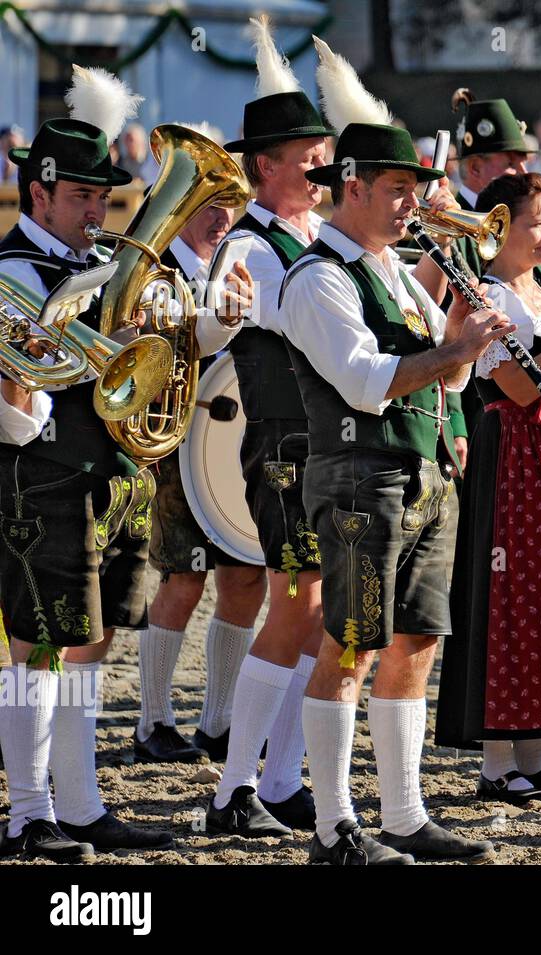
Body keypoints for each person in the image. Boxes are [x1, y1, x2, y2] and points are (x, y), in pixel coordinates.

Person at [0, 66, 247, 861]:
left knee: (92, 640)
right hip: (39, 477)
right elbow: (28, 390)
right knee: (35, 646)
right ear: (38, 194)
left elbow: (175, 355)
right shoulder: (12, 273)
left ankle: (78, 801)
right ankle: (28, 810)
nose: (97, 212)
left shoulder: (112, 263)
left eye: (103, 197)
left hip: (115, 479)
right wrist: (110, 339)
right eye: (81, 197)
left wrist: (208, 325)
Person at [277, 39, 507, 864]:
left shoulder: (397, 269)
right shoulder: (318, 278)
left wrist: (465, 343)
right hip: (356, 477)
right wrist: (453, 351)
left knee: (414, 641)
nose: (413, 207)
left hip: (417, 474)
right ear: (353, 188)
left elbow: (439, 380)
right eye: (400, 191)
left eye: (415, 191)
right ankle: (335, 824)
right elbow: (364, 380)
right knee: (349, 643)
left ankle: (405, 813)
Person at [203, 15, 337, 838]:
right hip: (286, 444)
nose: (323, 166)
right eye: (309, 157)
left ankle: (281, 777)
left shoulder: (313, 233)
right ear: (266, 166)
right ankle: (231, 790)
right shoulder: (249, 244)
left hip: (327, 441)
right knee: (294, 606)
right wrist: (223, 314)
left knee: (318, 612)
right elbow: (217, 322)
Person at [435, 172, 541, 805]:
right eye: (536, 222)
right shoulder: (487, 293)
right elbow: (520, 389)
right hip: (517, 449)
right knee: (514, 600)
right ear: (501, 226)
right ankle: (498, 765)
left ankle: (536, 757)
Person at [135, 193, 269, 767]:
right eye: (209, 204)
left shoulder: (241, 260)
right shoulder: (156, 274)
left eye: (230, 206)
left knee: (246, 578)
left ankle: (219, 722)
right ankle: (153, 721)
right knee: (182, 581)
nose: (222, 217)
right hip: (179, 443)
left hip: (236, 441)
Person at [444, 89, 537, 449]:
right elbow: (442, 329)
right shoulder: (452, 230)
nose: (523, 172)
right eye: (511, 162)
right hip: (475, 415)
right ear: (476, 167)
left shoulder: (512, 225)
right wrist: (455, 424)